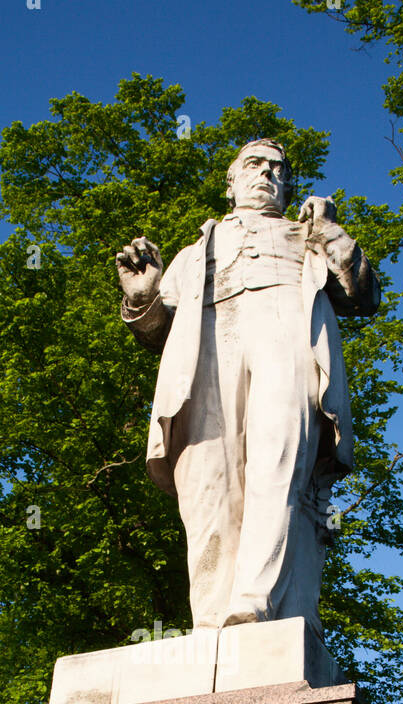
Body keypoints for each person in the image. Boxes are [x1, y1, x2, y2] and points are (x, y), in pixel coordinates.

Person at [117, 139, 380, 636]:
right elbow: (157, 330)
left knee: (276, 459)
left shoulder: (308, 236)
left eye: (278, 170)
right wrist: (143, 298)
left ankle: (256, 601)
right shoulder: (194, 252)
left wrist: (327, 231)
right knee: (207, 479)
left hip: (286, 329)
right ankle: (211, 620)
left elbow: (361, 294)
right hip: (210, 341)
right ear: (232, 181)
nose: (267, 175)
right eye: (254, 166)